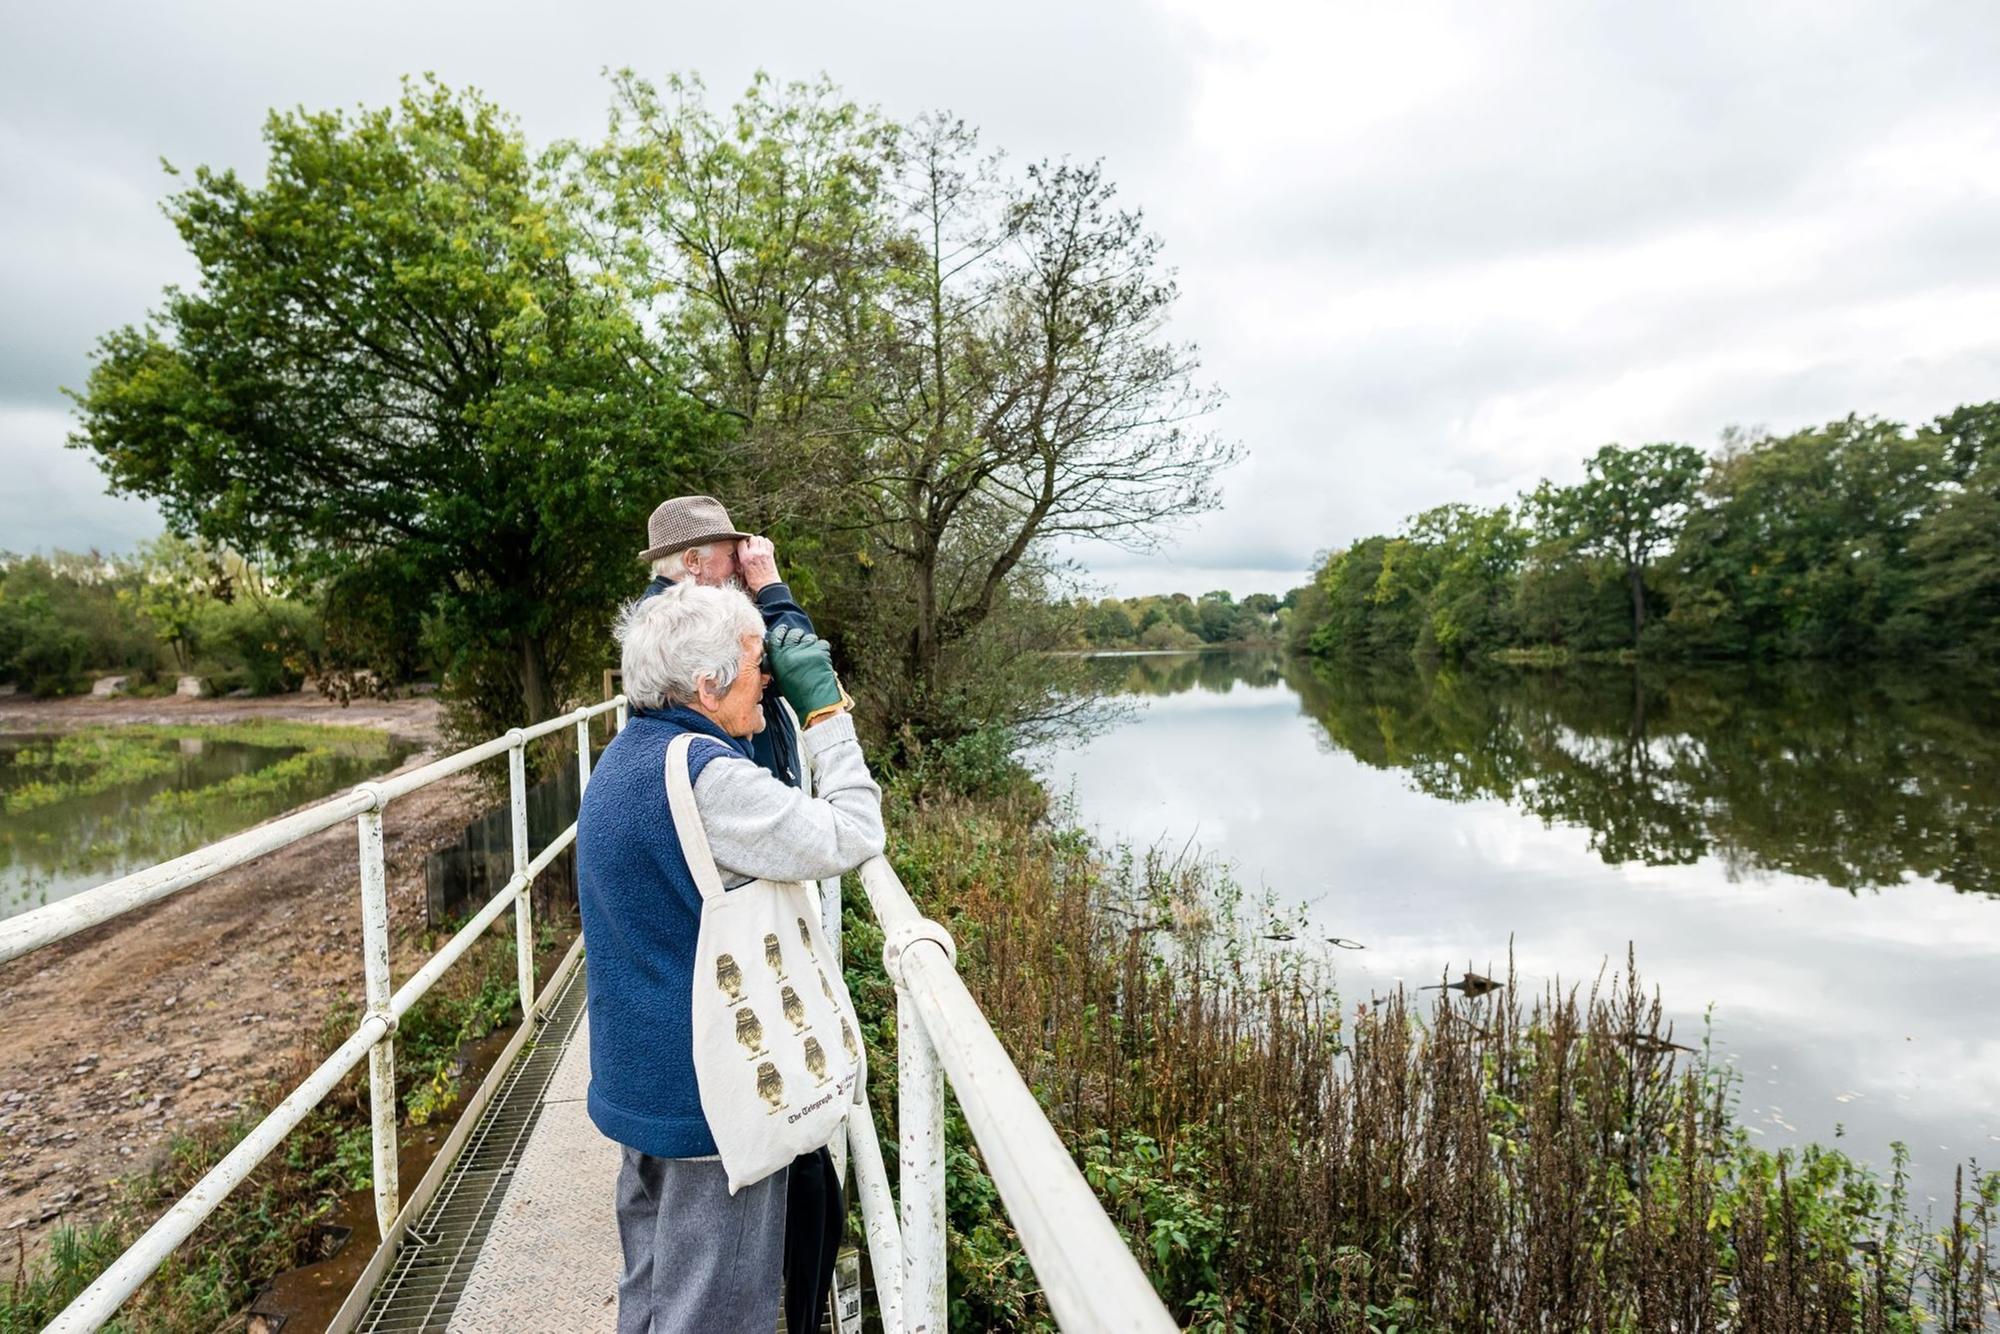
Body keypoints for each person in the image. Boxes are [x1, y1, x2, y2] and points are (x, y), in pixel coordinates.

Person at [577, 582, 883, 1334]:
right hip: (711, 1110)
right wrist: (827, 715)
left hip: (641, 1086)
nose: (768, 678)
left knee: (652, 1299)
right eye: (755, 665)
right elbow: (853, 832)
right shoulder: (708, 780)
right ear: (708, 686)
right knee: (716, 1314)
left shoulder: (623, 758)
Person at [634, 494, 847, 1327]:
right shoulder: (696, 660)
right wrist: (777, 592)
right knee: (725, 1253)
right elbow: (795, 670)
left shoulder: (669, 665)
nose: (744, 558)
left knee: (661, 1262)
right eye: (729, 551)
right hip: (739, 888)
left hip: (747, 855)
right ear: (694, 564)